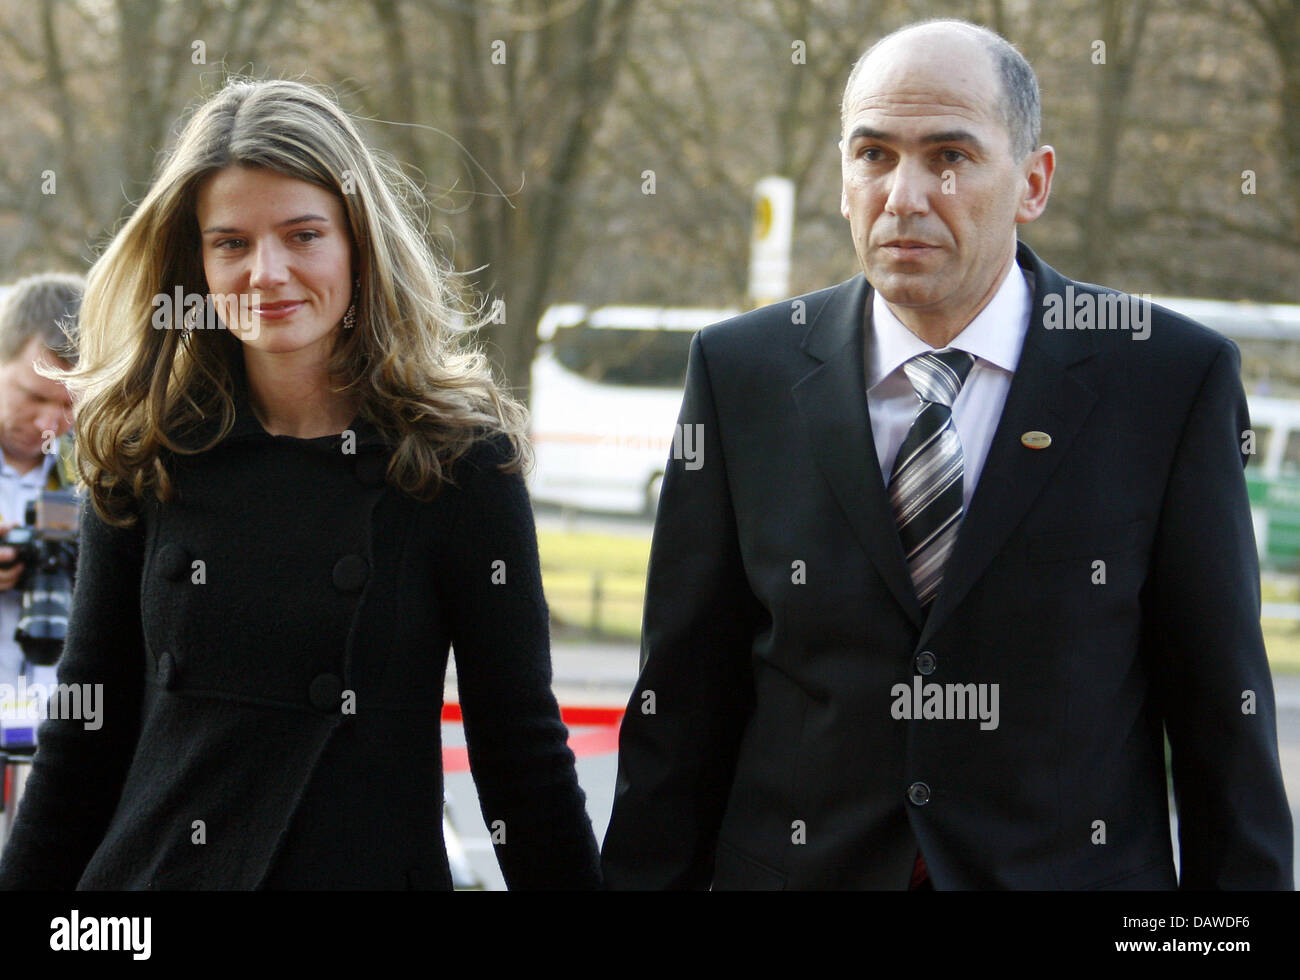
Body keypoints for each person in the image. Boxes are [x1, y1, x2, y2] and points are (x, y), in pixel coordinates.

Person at [601, 19, 1293, 889]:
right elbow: (681, 705)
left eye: (951, 156)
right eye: (874, 155)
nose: (905, 194)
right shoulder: (743, 372)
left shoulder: (1166, 379)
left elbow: (1222, 726)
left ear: (1033, 182)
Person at [0, 78, 601, 889]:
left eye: (303, 234)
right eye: (231, 243)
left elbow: (518, 743)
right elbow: (84, 730)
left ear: (359, 243)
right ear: (195, 262)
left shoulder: (454, 458)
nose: (267, 272)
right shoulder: (144, 447)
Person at [0, 274, 79, 744]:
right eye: (33, 395)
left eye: (69, 403)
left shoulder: (109, 476)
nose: (50, 423)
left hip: (56, 746)